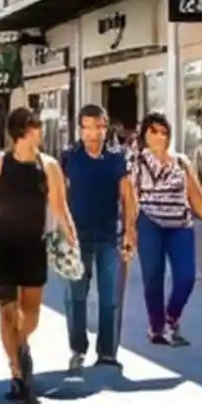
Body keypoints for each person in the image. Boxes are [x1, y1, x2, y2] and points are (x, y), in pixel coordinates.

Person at [0, 108, 78, 404]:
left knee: (31, 313)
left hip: (32, 245)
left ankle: (20, 345)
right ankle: (18, 374)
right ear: (23, 131)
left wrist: (72, 237)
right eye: (36, 126)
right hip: (0, 244)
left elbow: (60, 206)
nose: (41, 130)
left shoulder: (48, 166)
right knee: (6, 311)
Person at [131, 112, 202, 347]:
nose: (160, 136)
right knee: (153, 277)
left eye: (164, 132)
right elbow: (130, 198)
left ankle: (172, 315)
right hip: (149, 222)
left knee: (186, 277)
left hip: (180, 225)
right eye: (154, 131)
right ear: (145, 135)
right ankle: (156, 326)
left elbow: (195, 196)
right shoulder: (135, 162)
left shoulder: (181, 162)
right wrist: (129, 230)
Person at [60, 105, 136, 372]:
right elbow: (58, 199)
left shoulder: (118, 158)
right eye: (88, 127)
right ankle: (78, 348)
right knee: (75, 297)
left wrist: (129, 232)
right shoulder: (69, 157)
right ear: (80, 129)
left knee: (111, 298)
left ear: (107, 128)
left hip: (109, 239)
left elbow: (128, 197)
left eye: (99, 127)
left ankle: (107, 352)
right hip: (76, 239)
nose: (93, 133)